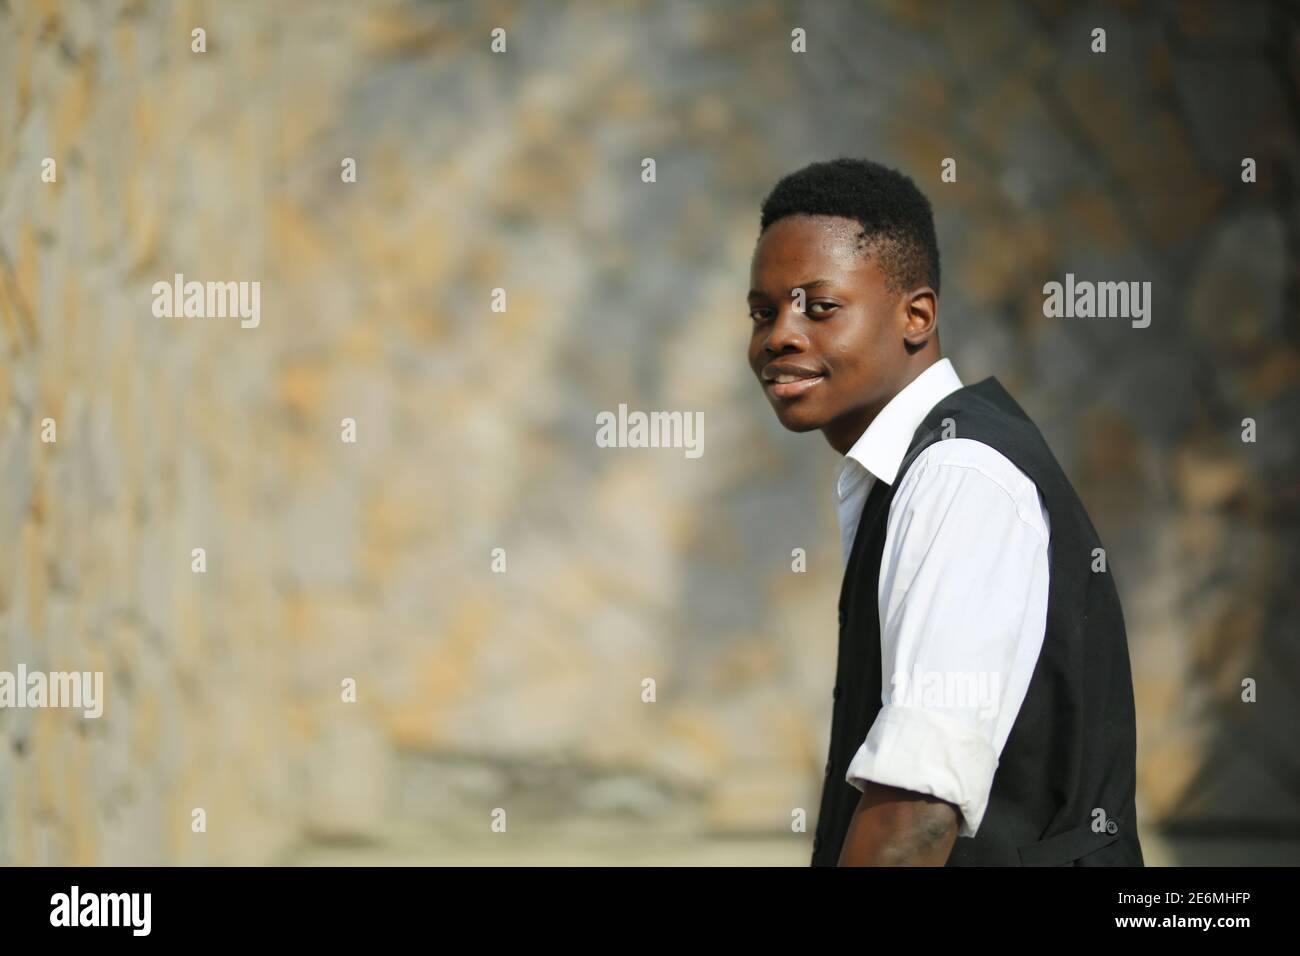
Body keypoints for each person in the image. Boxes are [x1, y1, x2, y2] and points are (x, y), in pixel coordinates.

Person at [747, 158, 1143, 866]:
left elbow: (916, 823)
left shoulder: (958, 476)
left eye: (819, 305)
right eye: (763, 310)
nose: (780, 333)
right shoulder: (916, 469)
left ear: (917, 315)